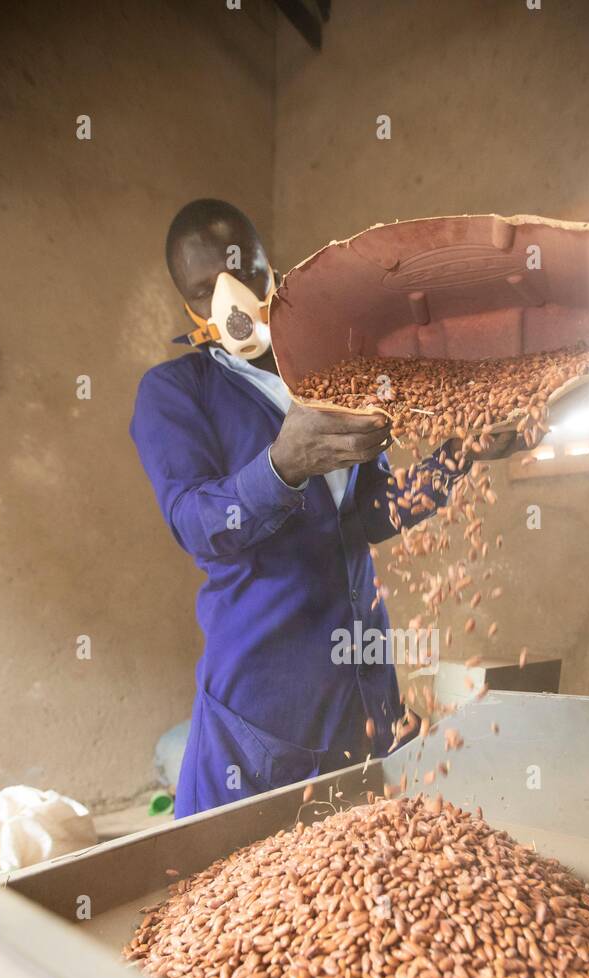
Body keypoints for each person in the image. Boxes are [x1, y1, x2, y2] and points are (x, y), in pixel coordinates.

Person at [131, 198, 510, 817]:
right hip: (265, 700)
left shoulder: (330, 378)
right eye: (205, 289)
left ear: (270, 270)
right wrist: (283, 465)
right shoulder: (175, 393)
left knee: (359, 882)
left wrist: (459, 454)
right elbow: (198, 524)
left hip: (362, 681)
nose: (231, 295)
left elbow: (369, 515)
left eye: (245, 270)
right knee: (249, 884)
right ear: (188, 305)